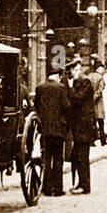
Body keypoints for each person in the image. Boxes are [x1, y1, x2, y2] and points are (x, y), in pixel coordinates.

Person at [34, 68, 70, 197]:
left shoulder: (40, 87)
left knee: (46, 158)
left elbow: (36, 106)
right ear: (57, 76)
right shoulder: (61, 88)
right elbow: (66, 106)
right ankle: (58, 188)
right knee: (58, 159)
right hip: (58, 128)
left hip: (44, 129)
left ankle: (47, 188)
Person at [68, 61, 96, 194]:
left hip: (84, 127)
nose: (74, 74)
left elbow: (77, 98)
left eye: (75, 71)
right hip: (79, 126)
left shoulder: (85, 82)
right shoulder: (79, 83)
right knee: (77, 155)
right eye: (73, 71)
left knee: (82, 156)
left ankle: (85, 186)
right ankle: (81, 183)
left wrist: (70, 87)